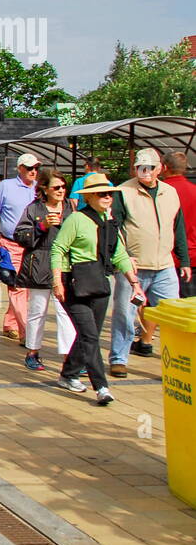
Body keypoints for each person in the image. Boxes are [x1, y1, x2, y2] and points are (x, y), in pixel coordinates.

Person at [51, 173, 146, 404]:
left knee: (88, 335)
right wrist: (57, 282)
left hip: (99, 284)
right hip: (74, 284)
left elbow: (119, 254)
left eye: (110, 194)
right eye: (102, 194)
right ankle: (101, 387)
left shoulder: (110, 222)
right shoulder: (76, 219)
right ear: (90, 197)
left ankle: (68, 374)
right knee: (90, 336)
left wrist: (135, 283)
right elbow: (58, 249)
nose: (107, 197)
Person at [107, 148, 192, 376]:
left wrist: (183, 260)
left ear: (160, 169)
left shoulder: (170, 193)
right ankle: (118, 359)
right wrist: (123, 258)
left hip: (164, 265)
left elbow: (178, 227)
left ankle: (178, 361)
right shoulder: (123, 191)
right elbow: (115, 228)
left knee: (173, 315)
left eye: (149, 167)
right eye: (139, 167)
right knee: (124, 314)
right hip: (133, 267)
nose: (144, 171)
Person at [14, 168, 76, 372]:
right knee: (38, 310)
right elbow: (20, 235)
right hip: (40, 262)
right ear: (45, 189)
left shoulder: (70, 207)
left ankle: (68, 357)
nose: (61, 191)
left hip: (64, 265)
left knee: (65, 312)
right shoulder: (34, 209)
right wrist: (42, 227)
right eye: (56, 187)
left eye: (64, 187)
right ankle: (32, 352)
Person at [0, 153, 41, 340]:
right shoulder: (6, 186)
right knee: (17, 286)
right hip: (11, 244)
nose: (33, 171)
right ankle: (27, 334)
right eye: (29, 168)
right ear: (20, 168)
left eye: (36, 168)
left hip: (33, 245)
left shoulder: (39, 188)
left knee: (26, 289)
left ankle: (10, 323)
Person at [162, 151, 196, 298]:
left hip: (165, 259)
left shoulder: (160, 192)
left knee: (160, 306)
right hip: (192, 256)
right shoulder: (194, 191)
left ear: (164, 167)